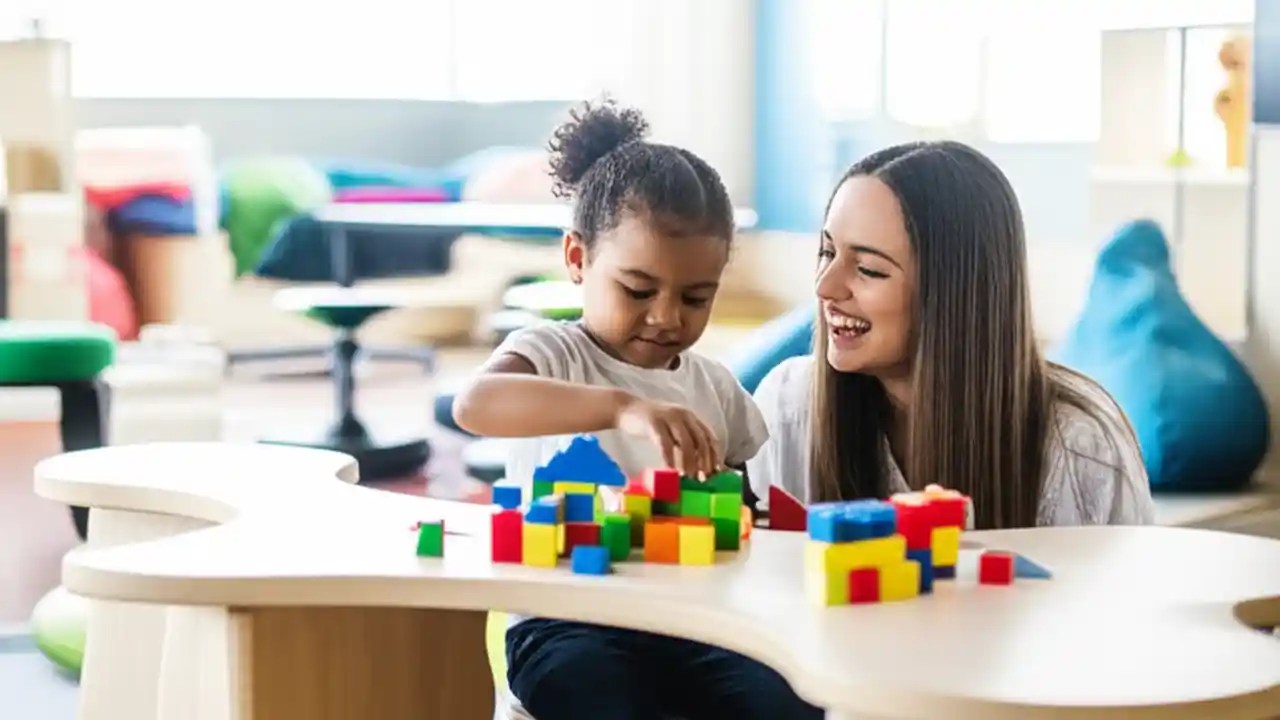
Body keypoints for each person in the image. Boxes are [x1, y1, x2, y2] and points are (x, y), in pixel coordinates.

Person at [453, 99, 823, 720]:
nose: (666, 317)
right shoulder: (553, 352)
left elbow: (750, 506)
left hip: (697, 624)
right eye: (638, 290)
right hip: (568, 623)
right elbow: (477, 405)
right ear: (577, 259)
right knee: (600, 694)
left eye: (696, 297)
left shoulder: (715, 387)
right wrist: (624, 407)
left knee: (790, 700)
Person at [747, 141, 1154, 529]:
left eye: (869, 269)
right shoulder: (788, 407)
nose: (825, 287)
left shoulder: (1080, 447)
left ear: (954, 292)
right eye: (827, 252)